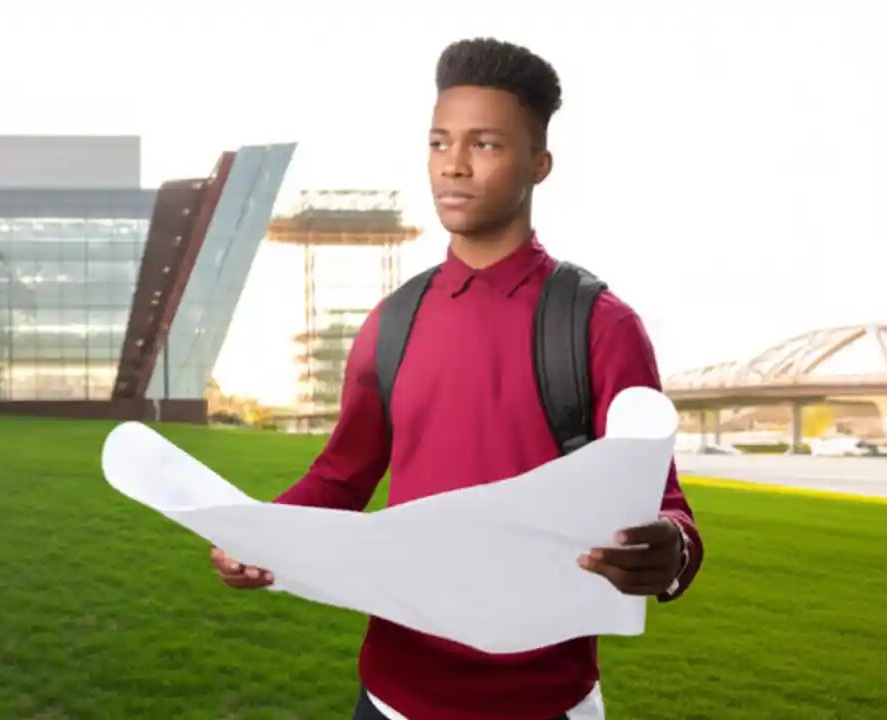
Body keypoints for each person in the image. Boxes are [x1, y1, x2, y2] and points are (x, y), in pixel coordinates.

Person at [209, 37, 705, 720]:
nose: (455, 167)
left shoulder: (600, 327)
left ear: (539, 163)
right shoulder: (392, 323)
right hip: (391, 696)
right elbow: (342, 474)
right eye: (440, 143)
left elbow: (668, 505)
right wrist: (260, 533)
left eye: (486, 145)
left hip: (545, 701)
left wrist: (673, 552)